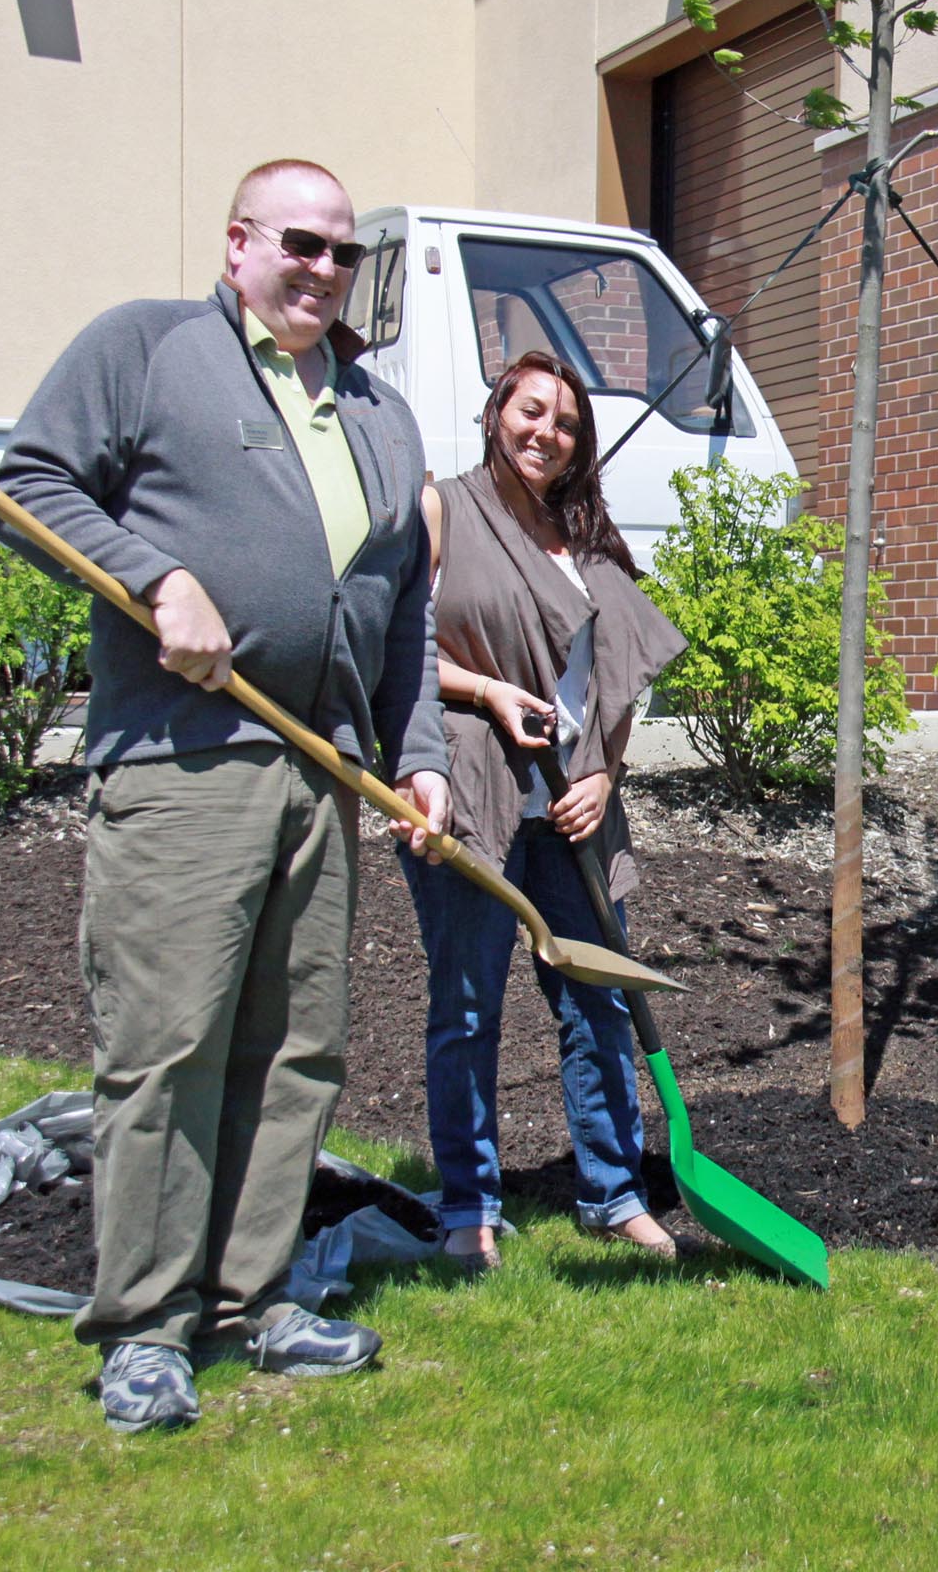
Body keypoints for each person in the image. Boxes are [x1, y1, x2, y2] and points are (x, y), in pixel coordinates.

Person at [0, 159, 450, 1432]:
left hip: (325, 771)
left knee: (298, 1049)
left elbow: (402, 607)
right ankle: (146, 1324)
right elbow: (30, 486)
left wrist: (418, 752)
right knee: (167, 1048)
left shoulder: (377, 410)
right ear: (239, 240)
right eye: (299, 244)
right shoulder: (149, 347)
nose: (321, 269)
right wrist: (154, 583)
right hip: (186, 764)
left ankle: (253, 1300)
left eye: (343, 253)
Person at [401, 350, 686, 1274]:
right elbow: (392, 641)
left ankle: (613, 1191)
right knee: (470, 1006)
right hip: (474, 791)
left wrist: (606, 769)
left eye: (564, 424)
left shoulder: (585, 535)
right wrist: (483, 688)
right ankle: (468, 1205)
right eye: (530, 413)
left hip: (575, 803)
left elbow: (622, 667)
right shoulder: (445, 507)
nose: (545, 433)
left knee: (598, 996)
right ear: (497, 415)